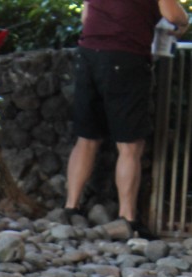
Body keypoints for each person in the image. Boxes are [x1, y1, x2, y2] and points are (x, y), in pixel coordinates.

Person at [62, 0, 189, 238]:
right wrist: (184, 21)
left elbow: (85, 16)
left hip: (89, 55)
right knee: (130, 146)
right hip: (125, 56)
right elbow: (172, 14)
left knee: (86, 137)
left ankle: (71, 207)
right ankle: (128, 219)